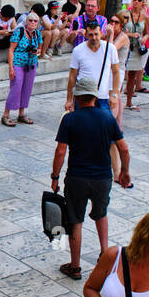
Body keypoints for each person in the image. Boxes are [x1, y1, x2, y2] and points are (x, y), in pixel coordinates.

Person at [51, 76, 131, 280]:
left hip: (77, 176)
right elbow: (123, 148)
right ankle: (104, 254)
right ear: (95, 97)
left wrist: (55, 176)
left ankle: (75, 266)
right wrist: (124, 171)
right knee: (101, 213)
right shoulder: (107, 117)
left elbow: (60, 151)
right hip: (102, 176)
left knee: (75, 220)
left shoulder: (69, 119)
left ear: (77, 97)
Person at [64, 15, 120, 116]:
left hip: (102, 96)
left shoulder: (110, 48)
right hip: (83, 97)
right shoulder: (78, 50)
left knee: (102, 128)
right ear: (85, 35)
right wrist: (69, 99)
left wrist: (114, 94)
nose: (94, 38)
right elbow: (72, 76)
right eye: (90, 35)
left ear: (101, 34)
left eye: (96, 34)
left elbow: (116, 72)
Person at [1, 11, 43, 127]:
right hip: (18, 62)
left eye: (35, 21)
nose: (33, 23)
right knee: (16, 87)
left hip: (31, 63)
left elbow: (40, 49)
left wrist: (36, 52)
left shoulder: (37, 34)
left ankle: (21, 113)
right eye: (31, 20)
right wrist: (11, 68)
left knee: (27, 88)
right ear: (26, 21)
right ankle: (6, 114)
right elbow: (11, 50)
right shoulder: (19, 32)